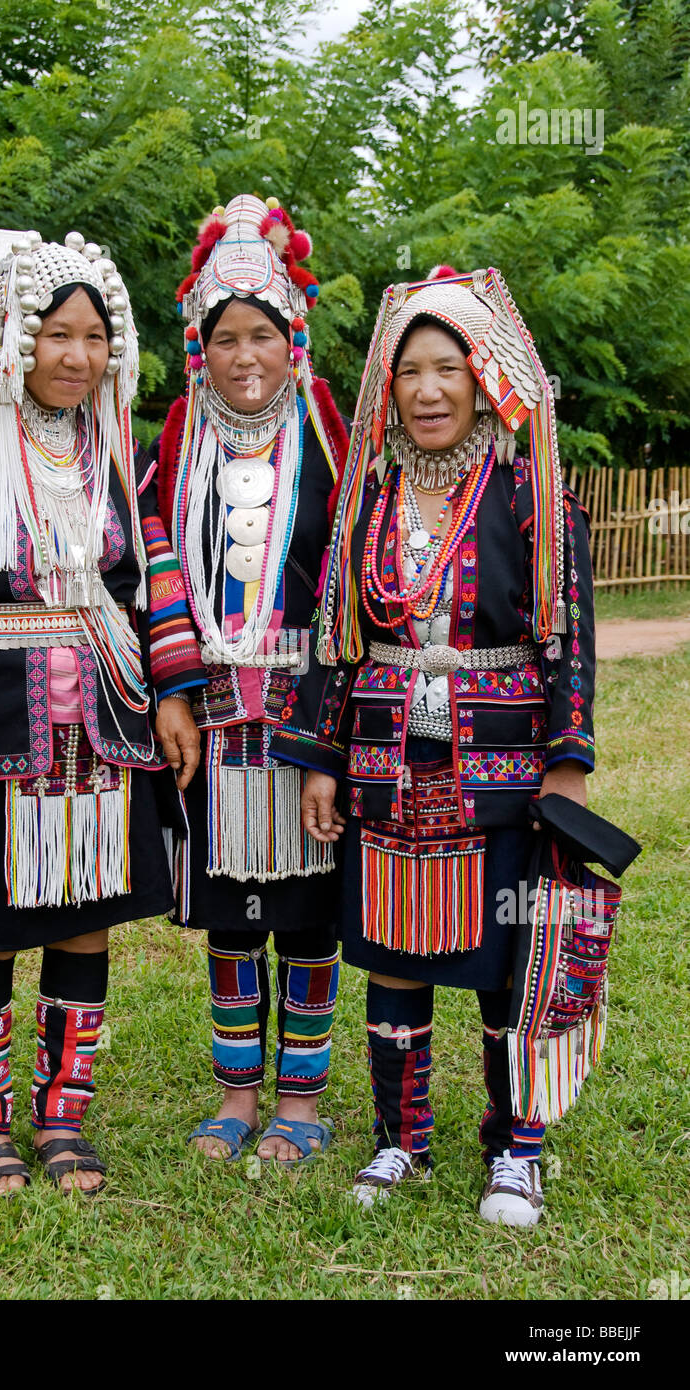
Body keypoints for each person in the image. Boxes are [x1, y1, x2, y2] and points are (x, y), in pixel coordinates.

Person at [271, 266, 596, 1223]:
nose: (426, 390)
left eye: (447, 368)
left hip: (501, 774)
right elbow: (338, 642)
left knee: (505, 966)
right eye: (409, 369)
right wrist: (321, 763)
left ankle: (515, 1149)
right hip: (384, 773)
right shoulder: (367, 500)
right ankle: (399, 1139)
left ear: (483, 376)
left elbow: (567, 637)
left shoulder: (530, 492)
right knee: (395, 959)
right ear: (390, 381)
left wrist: (567, 766)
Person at [0, 227, 204, 1195]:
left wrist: (178, 693)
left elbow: (155, 575)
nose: (76, 356)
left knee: (84, 921)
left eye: (93, 338)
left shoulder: (114, 453)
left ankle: (64, 1120)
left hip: (104, 723)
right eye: (55, 334)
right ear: (14, 337)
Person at [150, 194, 350, 1164]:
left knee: (308, 913)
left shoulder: (326, 431)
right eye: (225, 338)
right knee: (231, 910)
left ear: (291, 337)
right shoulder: (180, 441)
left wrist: (331, 726)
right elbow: (150, 565)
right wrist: (174, 689)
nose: (243, 357)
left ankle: (301, 1104)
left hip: (306, 713)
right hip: (215, 718)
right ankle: (236, 1091)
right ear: (203, 344)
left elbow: (354, 583)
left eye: (261, 335)